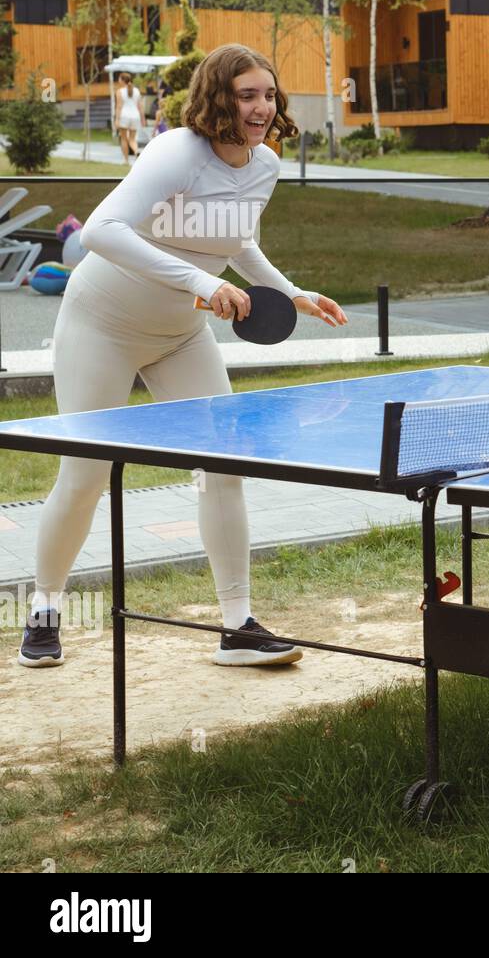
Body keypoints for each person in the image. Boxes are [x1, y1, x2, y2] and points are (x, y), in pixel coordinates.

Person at [19, 43, 348, 669]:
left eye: (269, 94)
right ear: (220, 97)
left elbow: (235, 241)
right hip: (102, 324)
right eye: (247, 94)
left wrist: (289, 292)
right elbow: (100, 231)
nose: (261, 106)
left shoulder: (265, 166)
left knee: (223, 467)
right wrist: (203, 285)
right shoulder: (176, 153)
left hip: (179, 336)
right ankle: (43, 609)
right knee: (85, 474)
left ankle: (237, 626)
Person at [113, 71, 143, 164]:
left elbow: (119, 106)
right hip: (135, 116)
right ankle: (136, 151)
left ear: (122, 80)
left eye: (119, 78)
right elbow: (140, 106)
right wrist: (143, 119)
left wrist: (117, 120)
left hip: (124, 116)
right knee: (132, 139)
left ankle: (126, 160)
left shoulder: (120, 91)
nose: (118, 80)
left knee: (124, 138)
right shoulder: (137, 91)